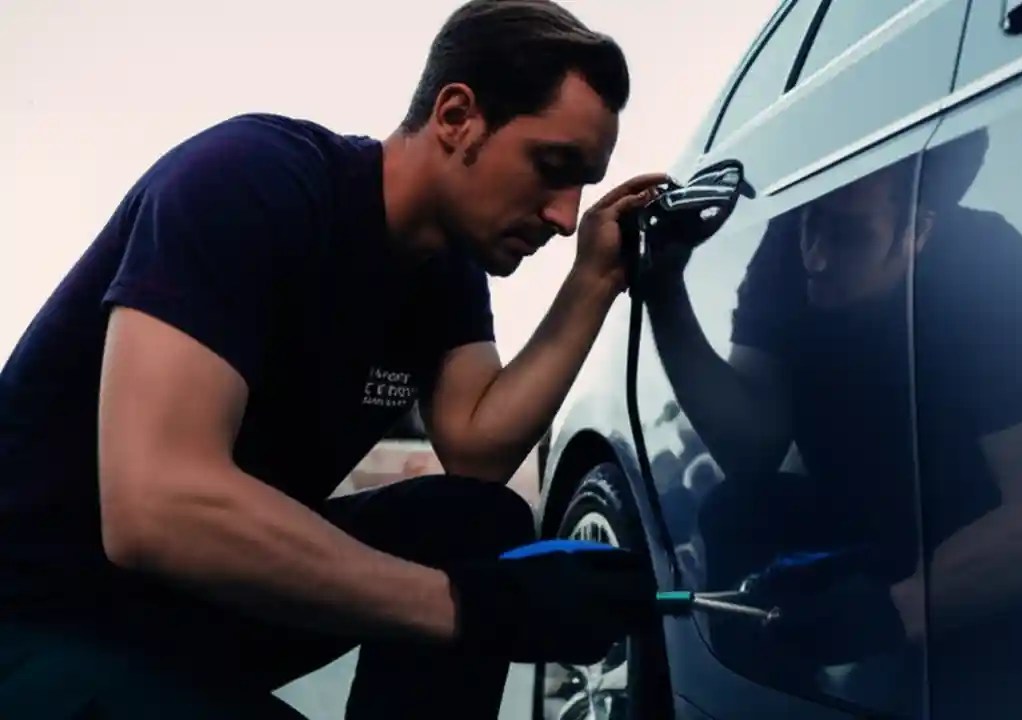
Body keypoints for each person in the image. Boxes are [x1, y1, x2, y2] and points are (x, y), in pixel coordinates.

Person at [0, 1, 664, 717]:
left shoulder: (443, 268)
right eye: (552, 167)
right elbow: (156, 509)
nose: (566, 217)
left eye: (583, 186)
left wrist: (593, 281)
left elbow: (477, 450)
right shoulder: (249, 181)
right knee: (475, 582)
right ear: (456, 117)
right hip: (42, 614)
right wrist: (462, 606)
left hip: (195, 606)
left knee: (475, 524)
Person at [644, 132, 1022, 718]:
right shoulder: (790, 247)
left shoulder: (985, 268)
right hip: (869, 527)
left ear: (920, 232)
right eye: (812, 225)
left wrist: (895, 610)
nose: (817, 256)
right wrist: (665, 293)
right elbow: (751, 448)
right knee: (737, 514)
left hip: (999, 556)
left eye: (849, 235)